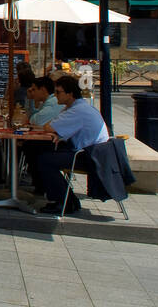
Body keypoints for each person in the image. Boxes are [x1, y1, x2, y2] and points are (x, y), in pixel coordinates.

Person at [30, 76, 110, 214]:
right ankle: (68, 199)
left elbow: (49, 127)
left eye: (58, 92)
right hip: (96, 153)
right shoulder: (79, 107)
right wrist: (59, 133)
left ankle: (64, 202)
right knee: (41, 151)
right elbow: (58, 126)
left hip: (91, 157)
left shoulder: (76, 111)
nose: (55, 96)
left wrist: (57, 132)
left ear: (70, 94)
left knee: (45, 160)